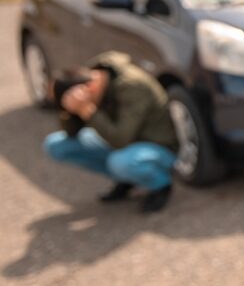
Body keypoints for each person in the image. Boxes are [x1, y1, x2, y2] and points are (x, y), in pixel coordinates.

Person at [44, 51, 179, 213]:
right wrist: (69, 113)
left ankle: (161, 184)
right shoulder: (92, 78)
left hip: (158, 146)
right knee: (56, 145)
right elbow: (72, 133)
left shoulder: (132, 86)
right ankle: (127, 178)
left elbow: (120, 139)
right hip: (121, 141)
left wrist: (87, 110)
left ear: (89, 87)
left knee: (119, 162)